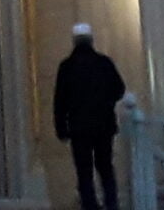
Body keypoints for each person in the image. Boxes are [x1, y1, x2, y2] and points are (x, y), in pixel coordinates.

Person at [52, 21, 127, 210]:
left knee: (84, 170)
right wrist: (105, 102)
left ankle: (90, 204)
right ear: (91, 40)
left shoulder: (67, 66)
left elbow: (60, 100)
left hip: (78, 128)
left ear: (74, 41)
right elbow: (119, 89)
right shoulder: (104, 63)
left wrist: (61, 128)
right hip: (103, 125)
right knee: (105, 166)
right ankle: (111, 203)